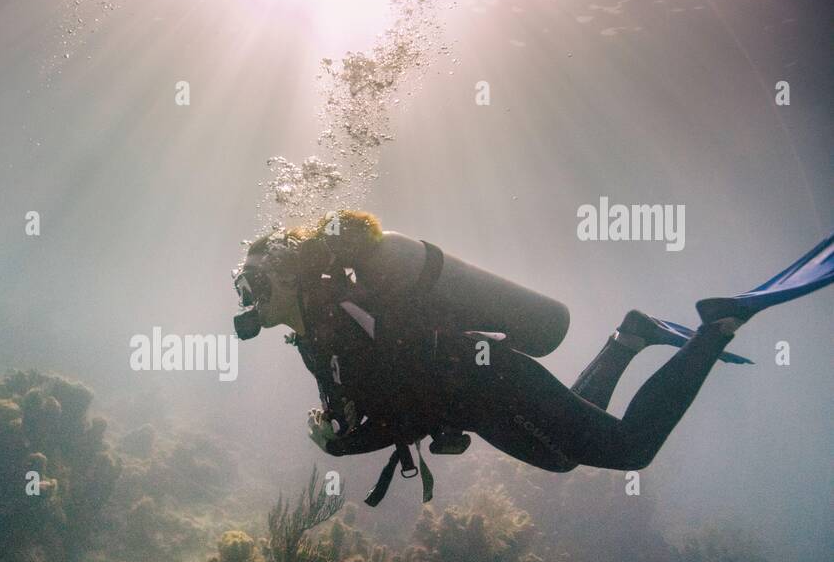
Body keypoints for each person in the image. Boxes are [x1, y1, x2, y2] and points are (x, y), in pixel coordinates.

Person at [231, 211, 833, 504]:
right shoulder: (317, 332)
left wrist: (338, 444)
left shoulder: (345, 316)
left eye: (256, 284)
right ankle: (629, 337)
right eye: (243, 288)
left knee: (628, 449)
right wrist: (339, 432)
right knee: (564, 460)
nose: (249, 300)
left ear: (290, 276)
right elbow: (374, 404)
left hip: (494, 385)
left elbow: (399, 412)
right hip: (477, 401)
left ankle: (719, 326)